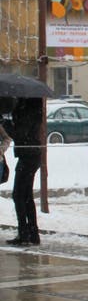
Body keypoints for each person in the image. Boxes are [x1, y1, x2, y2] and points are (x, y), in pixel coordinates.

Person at [5, 98, 42, 246]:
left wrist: (6, 124)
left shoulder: (27, 111)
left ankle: (24, 234)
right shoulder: (33, 108)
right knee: (26, 196)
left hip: (28, 156)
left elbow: (20, 134)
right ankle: (33, 233)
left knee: (18, 195)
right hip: (32, 154)